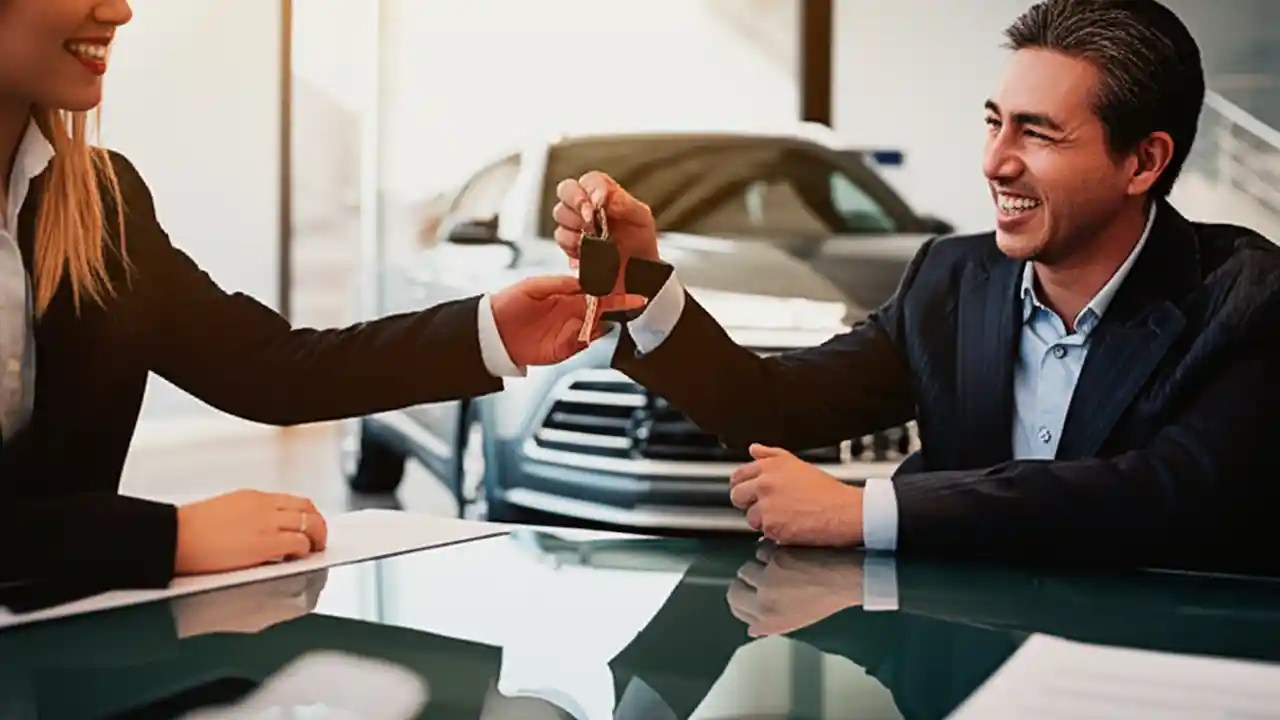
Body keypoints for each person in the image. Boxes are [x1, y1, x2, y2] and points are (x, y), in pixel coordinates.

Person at [553, 0, 1280, 571]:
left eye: (1037, 133)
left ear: (1143, 162)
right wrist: (641, 285)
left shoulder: (1248, 295)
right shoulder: (950, 280)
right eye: (994, 124)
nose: (995, 162)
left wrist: (868, 512)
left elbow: (1166, 497)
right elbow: (767, 406)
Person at [0, 0, 644, 589]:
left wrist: (492, 332)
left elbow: (269, 370)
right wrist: (168, 539)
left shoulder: (97, 203)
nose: (118, 10)